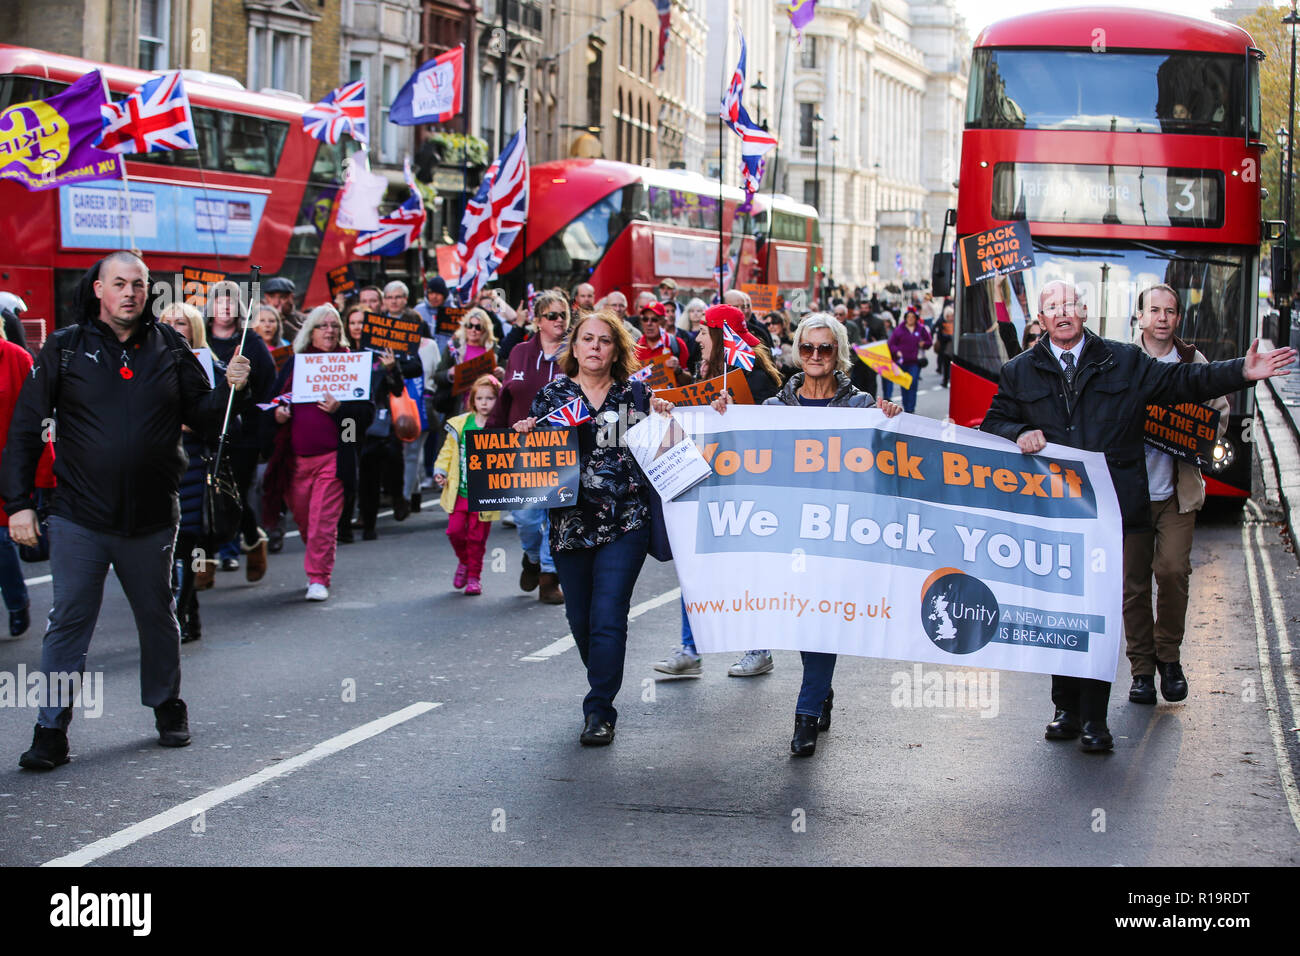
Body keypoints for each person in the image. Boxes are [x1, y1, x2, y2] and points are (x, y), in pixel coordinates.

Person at [981, 279, 1295, 753]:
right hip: (1056, 514)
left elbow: (1183, 381)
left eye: (1069, 304)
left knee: (1102, 613)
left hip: (1113, 510)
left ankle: (1095, 719)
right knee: (1065, 611)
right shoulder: (1018, 371)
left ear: (1084, 311)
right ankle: (1064, 707)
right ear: (1041, 318)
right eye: (1052, 307)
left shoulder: (1123, 360)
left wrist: (1242, 373)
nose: (1062, 313)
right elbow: (994, 423)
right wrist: (1020, 429)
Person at [3, 251, 252, 769]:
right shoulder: (64, 349)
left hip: (152, 518)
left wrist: (232, 388)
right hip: (77, 517)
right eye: (120, 283)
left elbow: (205, 418)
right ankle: (50, 730)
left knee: (158, 617)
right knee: (67, 622)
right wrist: (19, 505)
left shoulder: (171, 345)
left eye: (139, 285)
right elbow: (26, 428)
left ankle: (166, 705)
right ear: (99, 289)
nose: (131, 293)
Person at [708, 312, 902, 755]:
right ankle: (823, 689)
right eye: (808, 348)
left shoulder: (860, 407)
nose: (815, 356)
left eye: (825, 348)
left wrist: (891, 420)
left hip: (838, 533)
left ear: (839, 355)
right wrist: (722, 417)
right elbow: (746, 455)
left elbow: (888, 465)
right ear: (797, 352)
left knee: (822, 620)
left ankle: (807, 712)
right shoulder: (775, 410)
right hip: (788, 532)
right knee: (800, 616)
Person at [514, 310, 674, 746]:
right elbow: (531, 463)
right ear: (575, 347)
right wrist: (525, 434)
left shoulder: (636, 396)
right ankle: (602, 675)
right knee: (580, 618)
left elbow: (671, 449)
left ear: (616, 349)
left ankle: (600, 708)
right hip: (570, 526)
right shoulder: (552, 397)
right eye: (588, 339)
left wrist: (667, 415)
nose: (595, 347)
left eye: (605, 340)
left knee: (608, 617)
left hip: (627, 522)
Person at [652, 303, 784, 678]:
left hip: (747, 490)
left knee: (745, 571)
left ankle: (759, 648)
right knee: (695, 567)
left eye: (702, 330)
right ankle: (690, 650)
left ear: (719, 335)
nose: (695, 337)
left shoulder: (756, 377)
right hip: (706, 484)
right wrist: (668, 406)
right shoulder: (708, 371)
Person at [1125, 284, 1231, 706]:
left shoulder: (1193, 362)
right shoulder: (1122, 360)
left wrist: (1196, 437)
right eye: (1155, 310)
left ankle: (1168, 658)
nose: (1163, 317)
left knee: (1171, 572)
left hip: (1177, 495)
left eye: (1170, 311)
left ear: (1177, 319)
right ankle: (1141, 670)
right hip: (1131, 494)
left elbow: (1218, 412)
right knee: (1133, 587)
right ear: (1142, 317)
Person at [262, 305, 376, 600]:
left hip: (334, 458)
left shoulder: (351, 363)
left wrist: (341, 411)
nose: (330, 331)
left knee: (322, 522)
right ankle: (317, 559)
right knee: (305, 521)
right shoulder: (296, 363)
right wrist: (278, 413)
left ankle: (318, 577)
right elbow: (273, 400)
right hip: (296, 461)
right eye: (323, 326)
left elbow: (364, 416)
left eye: (335, 326)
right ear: (310, 331)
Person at [486, 289, 571, 604]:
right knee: (525, 516)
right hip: (520, 447)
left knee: (555, 514)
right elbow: (506, 395)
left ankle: (549, 576)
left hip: (561, 446)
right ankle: (532, 557)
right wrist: (489, 436)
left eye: (563, 315)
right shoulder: (520, 352)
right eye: (552, 315)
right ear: (537, 321)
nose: (559, 320)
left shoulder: (574, 353)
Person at [159, 302, 224, 644]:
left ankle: (181, 616)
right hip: (156, 467)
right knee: (162, 551)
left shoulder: (211, 366)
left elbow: (227, 423)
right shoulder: (145, 365)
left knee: (184, 548)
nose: (172, 327)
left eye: (180, 323)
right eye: (166, 322)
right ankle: (188, 615)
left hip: (194, 463)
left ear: (194, 329)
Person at [205, 281, 276, 581]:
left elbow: (267, 392)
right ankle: (205, 560)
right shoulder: (199, 340)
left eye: (230, 302)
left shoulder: (253, 343)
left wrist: (263, 436)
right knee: (203, 494)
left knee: (233, 495)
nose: (224, 308)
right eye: (219, 301)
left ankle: (251, 536)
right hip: (206, 430)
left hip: (243, 434)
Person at [433, 374, 502, 596]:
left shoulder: (500, 426)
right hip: (459, 491)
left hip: (485, 494)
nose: (484, 403)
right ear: (472, 400)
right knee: (454, 532)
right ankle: (464, 562)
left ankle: (474, 576)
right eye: (480, 398)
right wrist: (441, 471)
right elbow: (447, 451)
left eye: (490, 398)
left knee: (477, 537)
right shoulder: (461, 424)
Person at [0, 309, 33, 637]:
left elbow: (35, 418)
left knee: (0, 542)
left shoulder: (16, 357)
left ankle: (16, 600)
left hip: (7, 464)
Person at [433, 307, 502, 416]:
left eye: (478, 327)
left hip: (487, 409)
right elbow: (437, 376)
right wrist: (450, 373)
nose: (473, 330)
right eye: (469, 326)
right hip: (458, 407)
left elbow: (506, 378)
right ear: (464, 327)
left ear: (485, 329)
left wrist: (501, 373)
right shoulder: (454, 347)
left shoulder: (494, 350)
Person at [888, 306, 933, 413]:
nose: (910, 319)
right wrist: (897, 351)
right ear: (905, 318)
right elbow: (891, 344)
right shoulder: (899, 329)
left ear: (916, 318)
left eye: (913, 317)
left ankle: (911, 408)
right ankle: (906, 407)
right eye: (908, 317)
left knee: (913, 383)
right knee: (904, 385)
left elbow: (929, 342)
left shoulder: (921, 329)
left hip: (915, 362)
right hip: (902, 362)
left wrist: (924, 344)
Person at [634, 300, 691, 375]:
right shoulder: (635, 347)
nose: (649, 323)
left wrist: (678, 370)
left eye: (654, 319)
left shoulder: (677, 344)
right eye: (645, 319)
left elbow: (689, 381)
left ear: (664, 321)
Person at [936, 305, 955, 388]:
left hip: (954, 349)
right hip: (945, 349)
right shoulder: (942, 324)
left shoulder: (956, 323)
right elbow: (940, 337)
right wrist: (949, 337)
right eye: (949, 316)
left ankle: (951, 380)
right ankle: (945, 380)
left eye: (952, 316)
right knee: (946, 366)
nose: (950, 317)